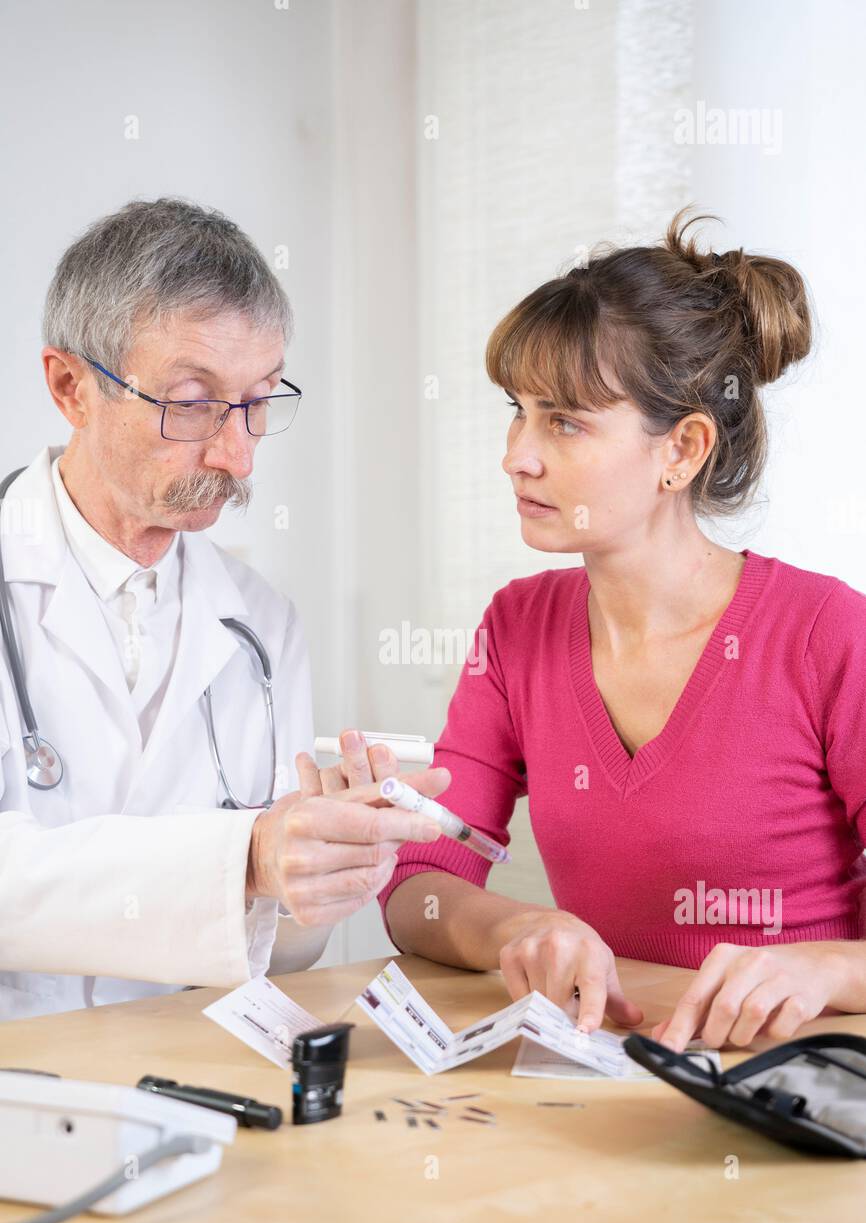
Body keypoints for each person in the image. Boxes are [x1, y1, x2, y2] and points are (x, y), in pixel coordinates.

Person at [379, 209, 866, 1052]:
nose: (517, 456)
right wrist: (520, 930)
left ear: (681, 449)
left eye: (564, 421)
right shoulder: (519, 626)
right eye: (518, 411)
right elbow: (422, 883)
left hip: (794, 1087)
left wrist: (826, 968)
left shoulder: (826, 632)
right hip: (608, 1079)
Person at [0, 198, 447, 1020]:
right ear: (71, 387)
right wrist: (244, 856)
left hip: (184, 1081)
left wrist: (320, 861)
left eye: (259, 400)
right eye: (193, 400)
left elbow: (277, 949)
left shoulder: (259, 625)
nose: (237, 453)